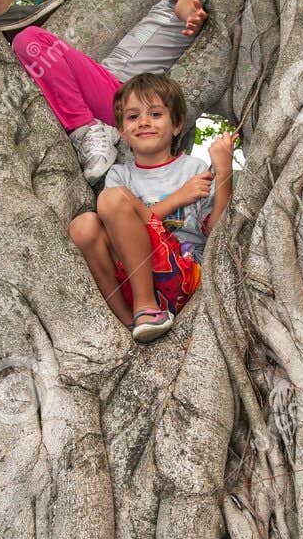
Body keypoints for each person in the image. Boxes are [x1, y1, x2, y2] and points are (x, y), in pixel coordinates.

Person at [12, 0, 210, 180]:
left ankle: (86, 129)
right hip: (111, 90)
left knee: (31, 39)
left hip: (119, 89)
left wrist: (191, 14)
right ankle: (98, 127)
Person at [69, 75, 235, 343]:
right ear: (121, 130)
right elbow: (116, 235)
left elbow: (217, 231)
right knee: (83, 226)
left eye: (156, 114)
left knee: (112, 200)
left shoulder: (193, 169)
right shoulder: (119, 176)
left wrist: (224, 171)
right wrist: (178, 198)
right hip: (133, 277)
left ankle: (146, 308)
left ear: (177, 125)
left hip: (184, 274)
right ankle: (128, 322)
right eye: (133, 117)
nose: (144, 122)